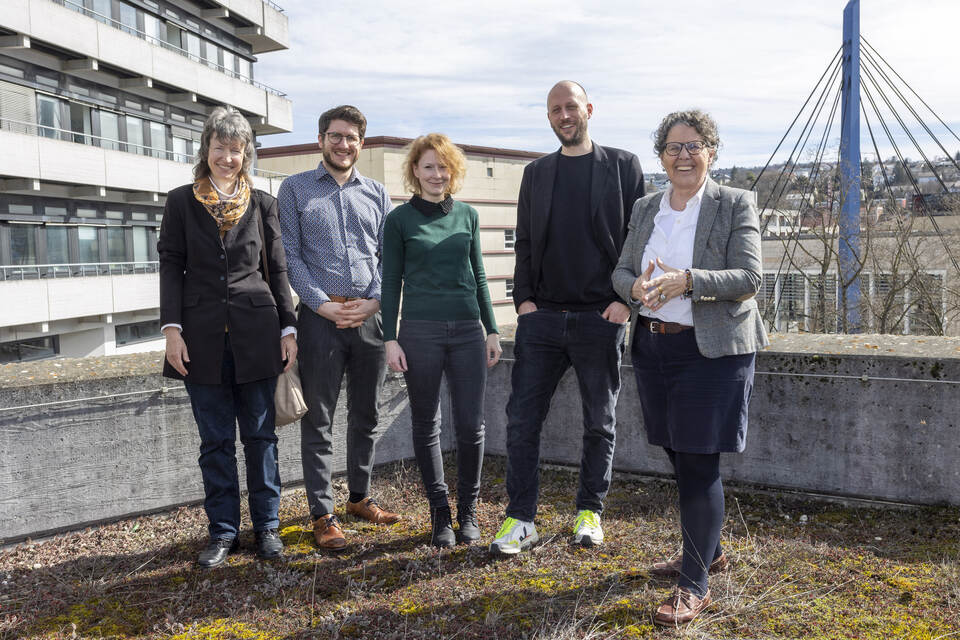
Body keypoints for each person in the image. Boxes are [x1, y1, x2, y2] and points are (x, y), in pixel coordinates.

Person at [611, 109, 768, 626]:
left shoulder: (734, 202)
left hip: (713, 352)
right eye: (673, 147)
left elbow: (748, 276)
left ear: (712, 152)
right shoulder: (646, 207)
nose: (683, 155)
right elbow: (622, 269)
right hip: (655, 347)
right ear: (661, 155)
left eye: (694, 145)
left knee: (699, 463)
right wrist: (632, 288)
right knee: (678, 453)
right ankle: (709, 549)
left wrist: (688, 281)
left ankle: (693, 582)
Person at [490, 81, 645, 555]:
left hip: (601, 317)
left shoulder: (622, 166)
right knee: (521, 421)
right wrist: (524, 304)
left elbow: (641, 237)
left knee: (600, 422)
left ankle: (590, 511)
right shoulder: (537, 173)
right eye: (555, 109)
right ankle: (521, 518)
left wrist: (626, 304)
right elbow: (526, 243)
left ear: (589, 110)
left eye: (571, 107)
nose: (564, 115)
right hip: (543, 319)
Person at [159, 105, 298, 568]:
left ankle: (268, 529)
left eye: (236, 149)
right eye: (220, 147)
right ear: (207, 149)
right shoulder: (180, 202)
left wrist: (288, 325)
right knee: (214, 442)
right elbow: (170, 268)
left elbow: (275, 269)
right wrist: (172, 330)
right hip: (198, 340)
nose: (227, 156)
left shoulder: (263, 205)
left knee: (260, 439)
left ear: (247, 154)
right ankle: (223, 532)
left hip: (257, 336)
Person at [278, 105, 401, 552]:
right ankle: (322, 514)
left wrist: (373, 302)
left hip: (370, 318)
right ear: (321, 139)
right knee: (320, 418)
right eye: (335, 136)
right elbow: (291, 256)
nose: (342, 144)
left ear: (361, 144)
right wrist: (324, 306)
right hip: (320, 321)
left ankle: (360, 498)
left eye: (351, 137)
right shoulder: (294, 190)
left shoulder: (377, 194)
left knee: (366, 414)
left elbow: (390, 257)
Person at [381, 134, 502, 548]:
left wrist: (491, 329)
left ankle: (468, 511)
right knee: (426, 422)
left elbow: (480, 275)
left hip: (468, 331)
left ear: (453, 171)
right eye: (429, 166)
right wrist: (390, 339)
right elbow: (390, 283)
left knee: (472, 426)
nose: (437, 174)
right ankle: (440, 514)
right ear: (415, 170)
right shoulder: (399, 221)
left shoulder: (467, 215)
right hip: (419, 332)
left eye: (444, 166)